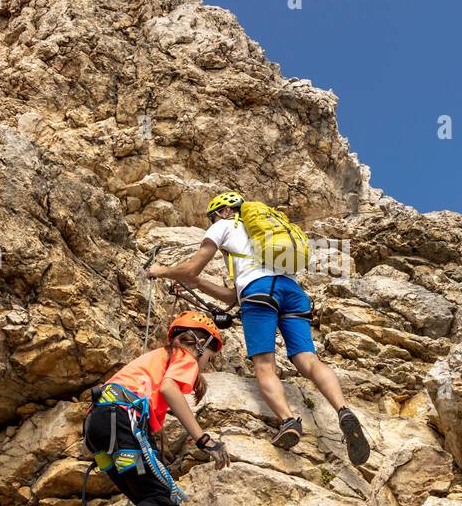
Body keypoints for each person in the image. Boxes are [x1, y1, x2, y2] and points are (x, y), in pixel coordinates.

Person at [148, 191, 371, 466]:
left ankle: (288, 422)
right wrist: (198, 285)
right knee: (308, 360)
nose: (213, 220)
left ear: (224, 211)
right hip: (292, 292)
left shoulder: (225, 225)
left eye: (214, 215)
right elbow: (231, 297)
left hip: (259, 292)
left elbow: (192, 268)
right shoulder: (266, 234)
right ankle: (343, 410)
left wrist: (162, 270)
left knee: (265, 365)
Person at [63, 311, 230, 506]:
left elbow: (160, 387)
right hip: (121, 419)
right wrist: (204, 439)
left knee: (153, 500)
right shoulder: (186, 357)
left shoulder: (165, 356)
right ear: (201, 343)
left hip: (101, 428)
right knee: (166, 499)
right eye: (210, 355)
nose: (208, 362)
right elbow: (168, 389)